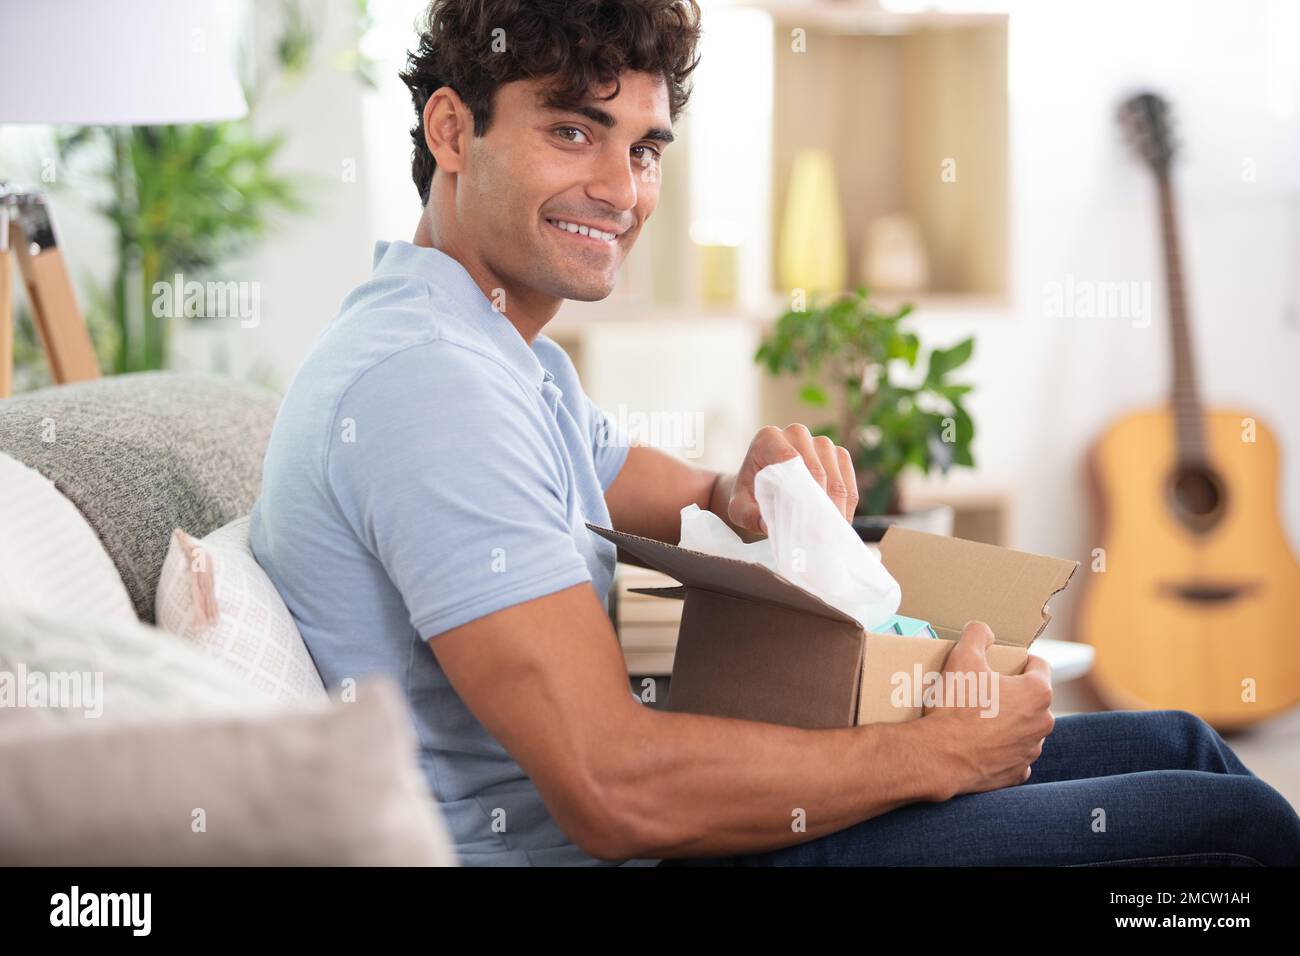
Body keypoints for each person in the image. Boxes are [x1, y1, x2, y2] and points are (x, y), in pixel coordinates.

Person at [250, 0, 1300, 867]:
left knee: (1182, 741)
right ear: (450, 130)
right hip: (630, 851)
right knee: (1234, 831)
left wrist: (735, 487)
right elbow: (613, 788)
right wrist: (932, 755)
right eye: (572, 130)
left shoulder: (494, 354)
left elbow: (650, 482)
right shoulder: (433, 386)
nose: (620, 190)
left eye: (644, 147)